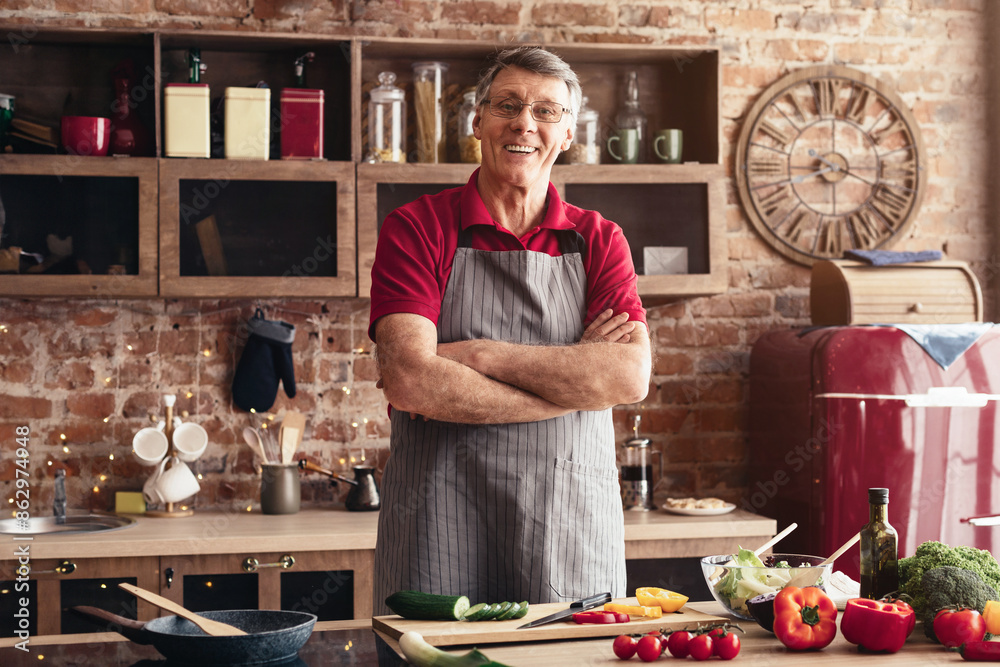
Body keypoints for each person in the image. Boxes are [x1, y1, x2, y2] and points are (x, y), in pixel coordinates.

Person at [368, 46, 652, 613]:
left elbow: (626, 377)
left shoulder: (599, 240)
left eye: (547, 111)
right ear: (478, 121)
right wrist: (570, 391)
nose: (526, 123)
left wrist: (476, 354)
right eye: (508, 105)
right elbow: (411, 381)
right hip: (438, 524)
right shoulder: (417, 227)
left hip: (568, 528)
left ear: (567, 134)